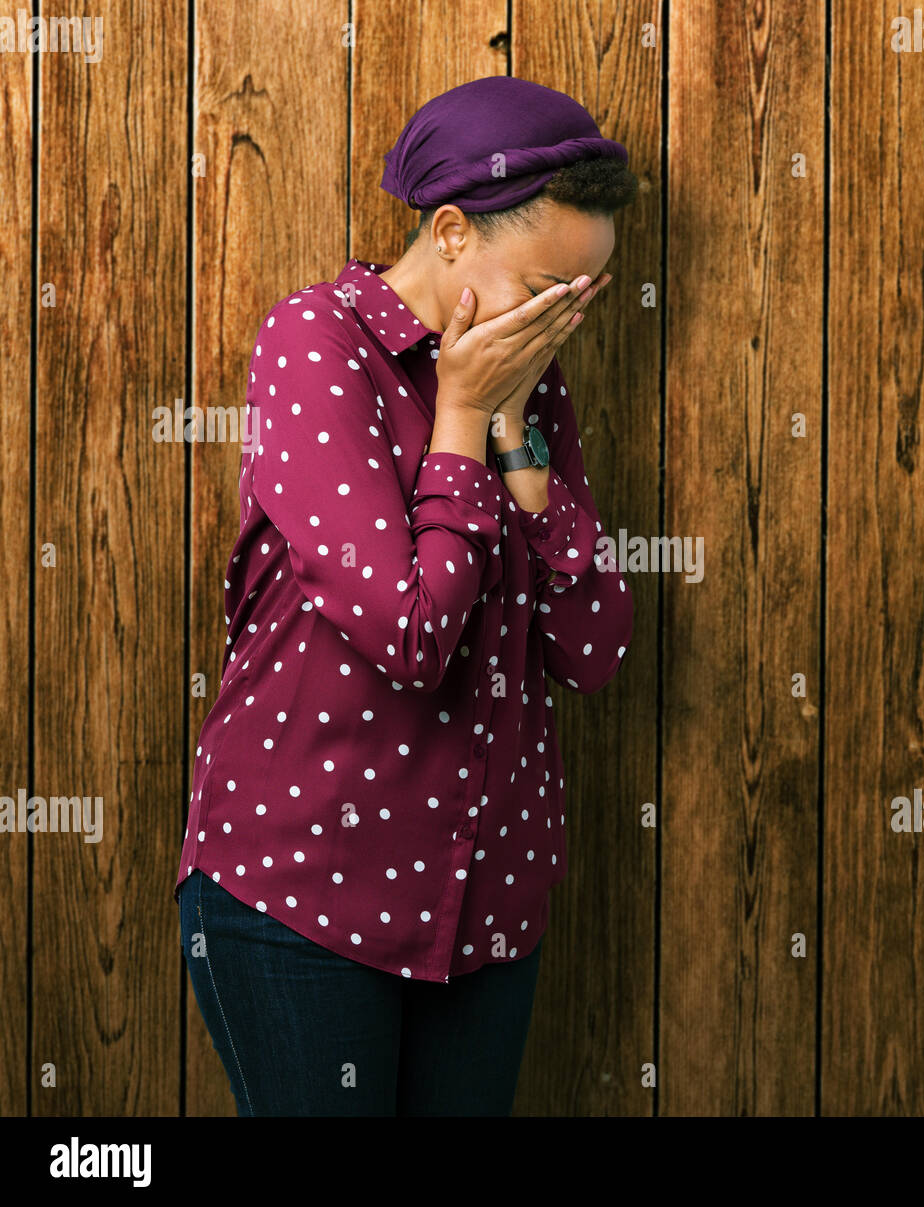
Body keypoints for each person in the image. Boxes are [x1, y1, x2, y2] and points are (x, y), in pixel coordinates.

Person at [174, 76, 638, 1116]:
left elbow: (595, 647)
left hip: (487, 905)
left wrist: (514, 433)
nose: (560, 320)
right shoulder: (318, 341)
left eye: (583, 297)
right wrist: (464, 415)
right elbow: (411, 631)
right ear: (451, 232)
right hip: (305, 888)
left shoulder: (534, 384)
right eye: (544, 286)